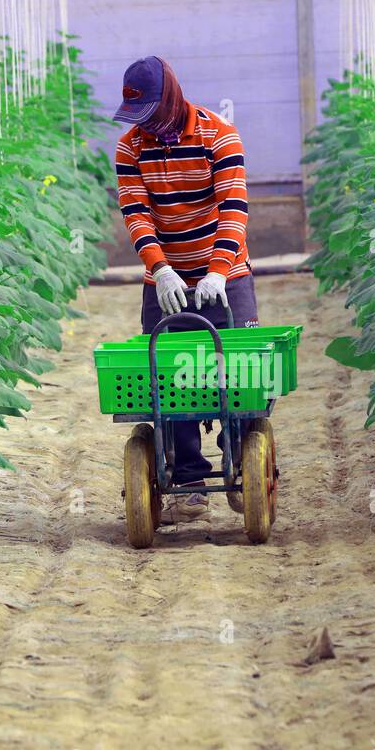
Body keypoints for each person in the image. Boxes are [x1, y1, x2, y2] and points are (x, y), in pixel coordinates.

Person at [113, 55, 258, 524]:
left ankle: (241, 458)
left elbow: (233, 207)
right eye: (138, 118)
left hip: (226, 276)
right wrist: (161, 270)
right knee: (169, 381)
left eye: (150, 114)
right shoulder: (130, 149)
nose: (145, 126)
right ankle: (189, 482)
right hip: (167, 280)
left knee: (239, 375)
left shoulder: (219, 136)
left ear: (170, 99)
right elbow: (137, 215)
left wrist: (217, 270)